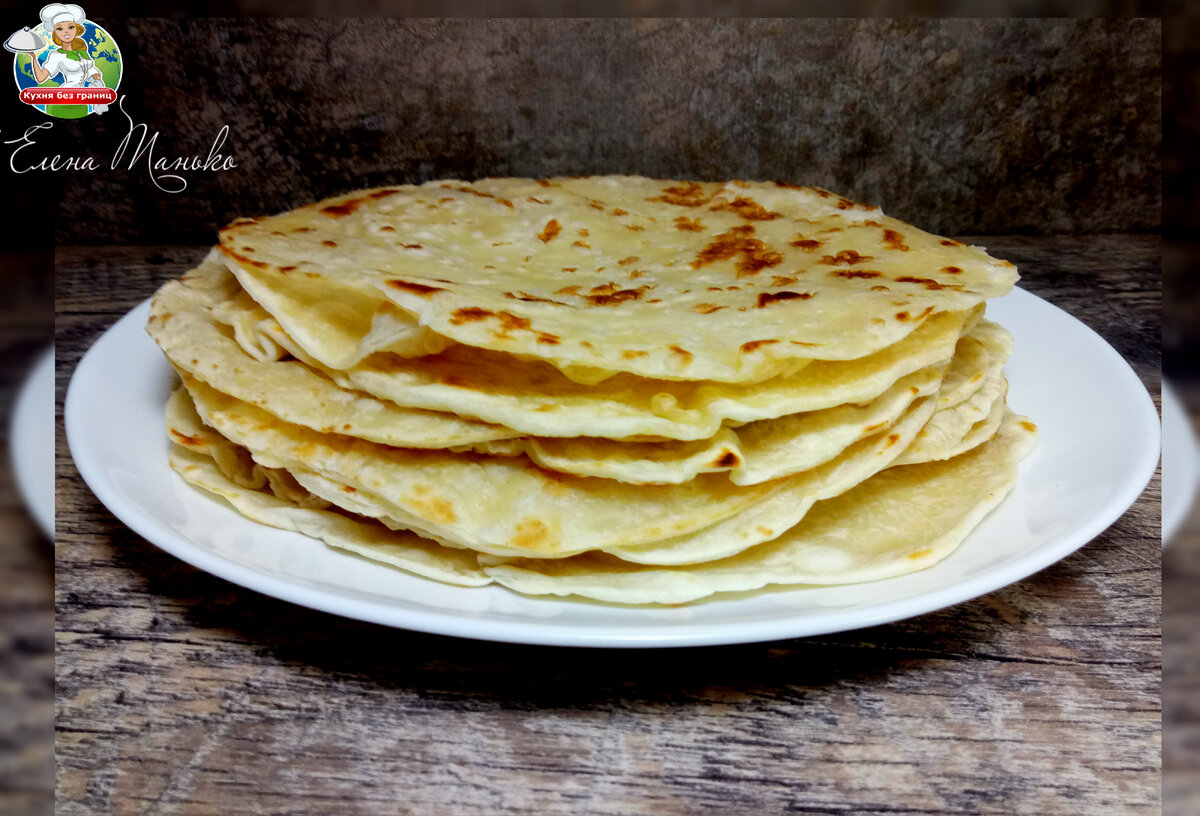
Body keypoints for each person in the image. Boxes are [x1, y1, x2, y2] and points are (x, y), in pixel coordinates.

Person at [27, 4, 101, 119]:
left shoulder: (82, 52)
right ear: (55, 33)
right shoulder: (56, 55)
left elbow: (91, 69)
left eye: (70, 27)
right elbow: (41, 78)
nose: (66, 32)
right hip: (62, 99)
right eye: (60, 28)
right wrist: (34, 58)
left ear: (76, 29)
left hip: (81, 99)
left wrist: (98, 83)